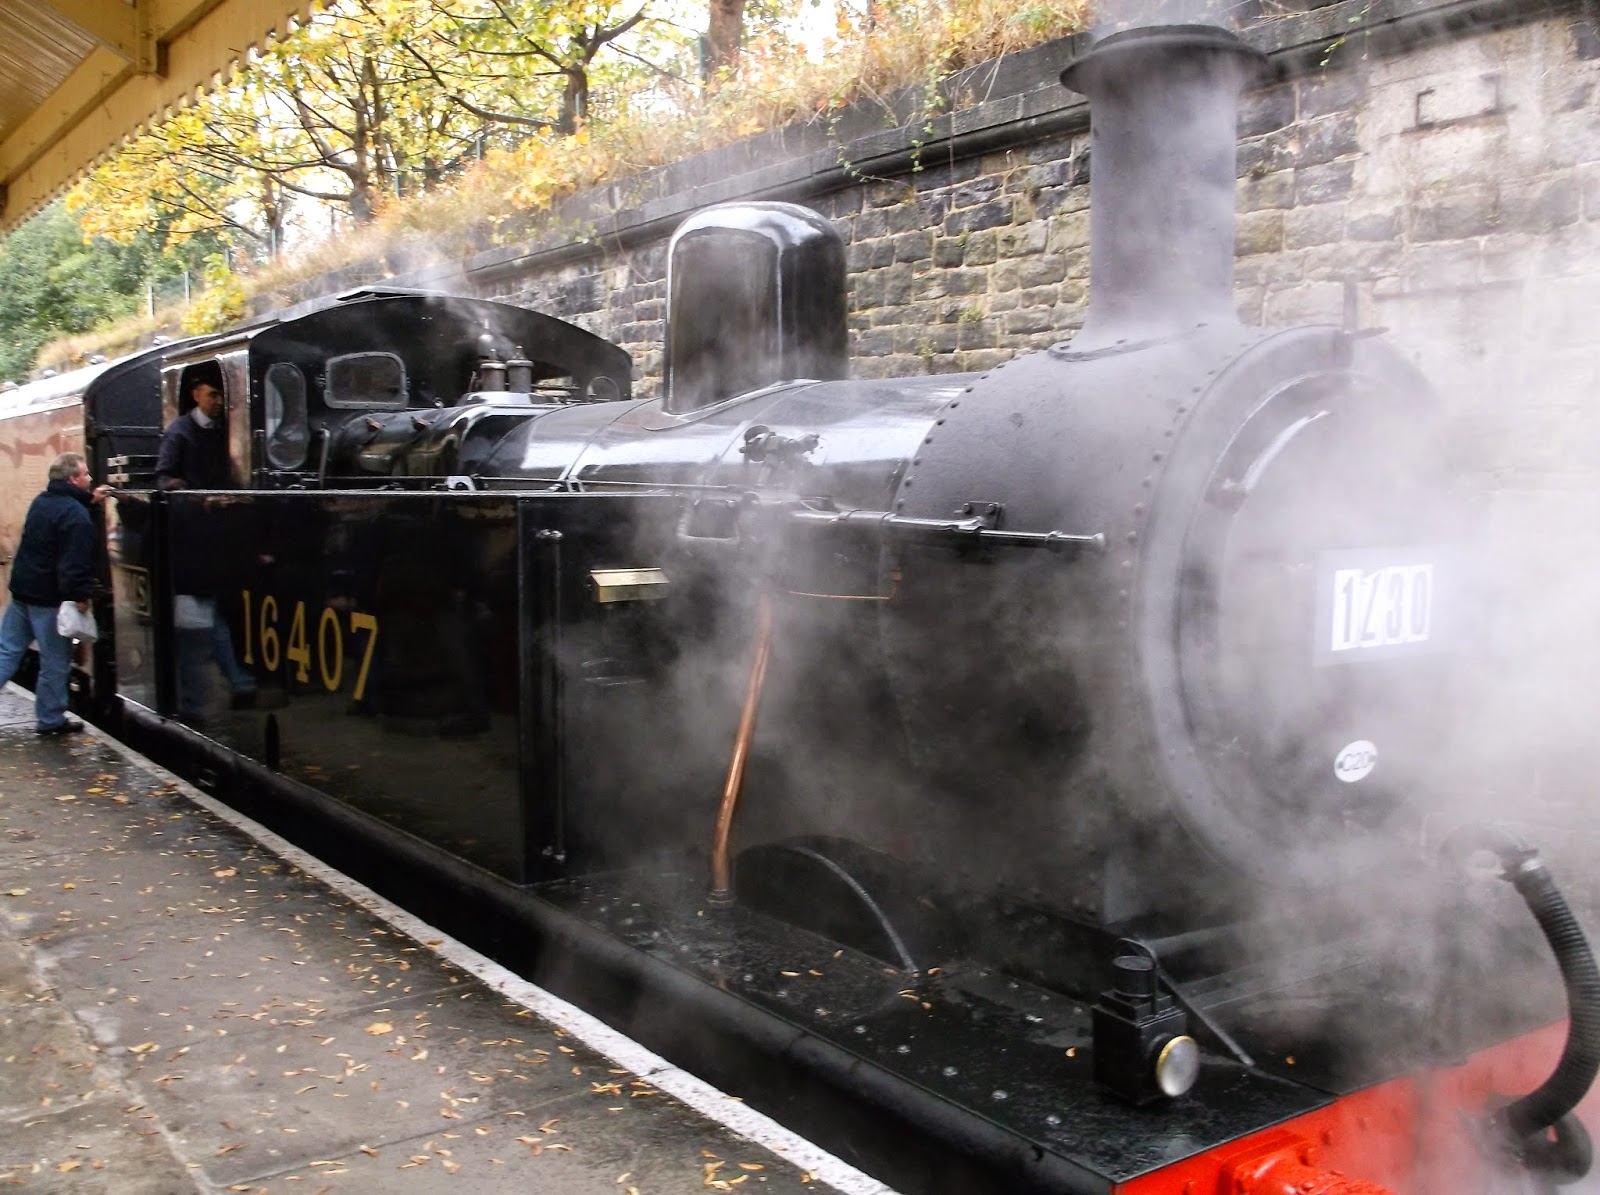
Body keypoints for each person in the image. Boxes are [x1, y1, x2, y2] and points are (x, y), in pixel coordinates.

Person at [155, 370, 256, 721]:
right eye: (212, 395)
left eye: (220, 396)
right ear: (196, 394)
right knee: (203, 621)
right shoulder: (179, 433)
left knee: (212, 616)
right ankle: (224, 688)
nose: (217, 402)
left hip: (215, 541)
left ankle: (236, 681)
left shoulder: (218, 433)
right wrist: (201, 500)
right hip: (191, 542)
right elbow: (165, 480)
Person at [0, 452, 110, 735]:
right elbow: (73, 564)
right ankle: (50, 720)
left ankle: (50, 716)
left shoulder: (43, 501)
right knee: (55, 663)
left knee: (7, 653)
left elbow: (61, 521)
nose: (90, 478)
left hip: (23, 593)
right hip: (48, 600)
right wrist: (81, 596)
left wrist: (90, 502)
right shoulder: (76, 517)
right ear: (74, 479)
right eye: (86, 474)